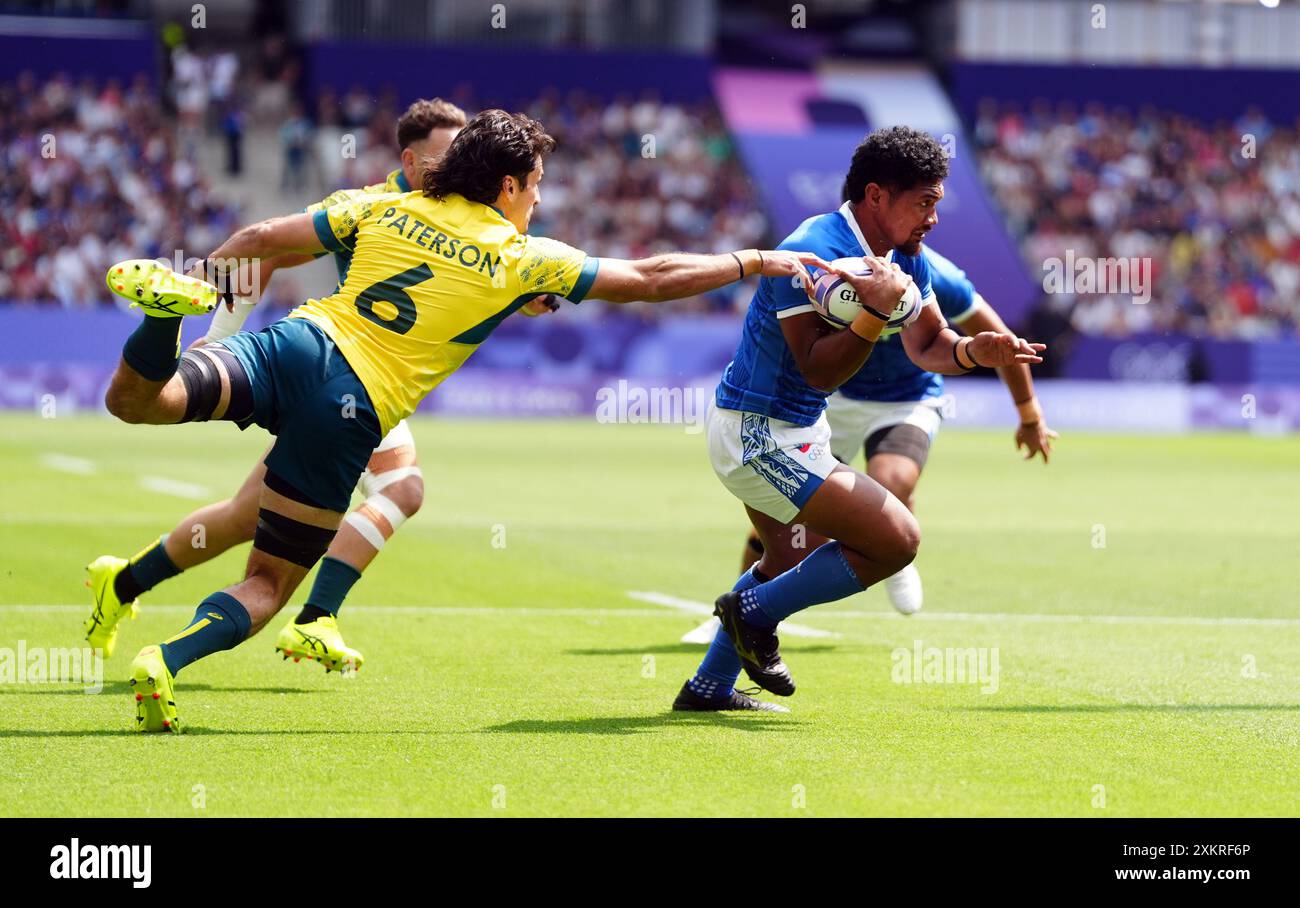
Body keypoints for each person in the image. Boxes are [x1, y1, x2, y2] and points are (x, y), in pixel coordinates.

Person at [97, 108, 829, 732]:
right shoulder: (520, 255)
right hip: (349, 403)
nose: (537, 203)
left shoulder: (387, 203)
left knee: (139, 404)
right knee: (265, 583)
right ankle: (166, 658)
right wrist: (756, 259)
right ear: (507, 186)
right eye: (536, 187)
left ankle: (162, 319)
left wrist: (205, 303)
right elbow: (650, 279)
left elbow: (261, 236)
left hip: (296, 341)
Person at [83, 99, 468, 675]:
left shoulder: (458, 209)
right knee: (404, 489)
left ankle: (123, 582)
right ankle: (317, 618)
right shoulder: (371, 207)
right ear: (411, 161)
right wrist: (218, 337)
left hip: (350, 382)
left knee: (244, 516)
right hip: (346, 375)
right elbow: (268, 250)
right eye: (445, 158)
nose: (457, 170)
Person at [673, 126, 1045, 713]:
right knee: (896, 539)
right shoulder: (812, 250)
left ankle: (709, 687)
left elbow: (929, 344)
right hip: (756, 432)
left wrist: (976, 352)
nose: (933, 218)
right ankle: (754, 614)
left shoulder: (905, 259)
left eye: (937, 204)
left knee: (787, 557)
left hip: (793, 430)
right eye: (924, 203)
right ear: (877, 196)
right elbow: (819, 371)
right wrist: (871, 316)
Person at [678, 242, 1058, 645]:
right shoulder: (826, 263)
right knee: (790, 520)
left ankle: (892, 551)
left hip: (907, 400)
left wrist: (1029, 414)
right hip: (833, 402)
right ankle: (736, 616)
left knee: (890, 483)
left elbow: (1000, 337)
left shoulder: (933, 272)